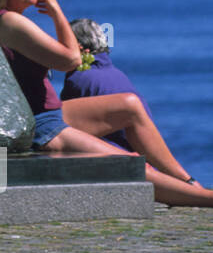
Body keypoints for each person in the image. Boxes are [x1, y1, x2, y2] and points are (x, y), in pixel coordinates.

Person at [0, 0, 213, 211]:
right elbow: (72, 59)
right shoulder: (11, 22)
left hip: (46, 114)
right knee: (127, 164)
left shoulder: (2, 19)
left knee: (129, 105)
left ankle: (187, 183)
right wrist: (57, 14)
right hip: (41, 128)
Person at [61, 17, 156, 153]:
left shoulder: (79, 79)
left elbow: (63, 129)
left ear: (78, 47)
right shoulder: (117, 74)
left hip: (119, 157)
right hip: (142, 157)